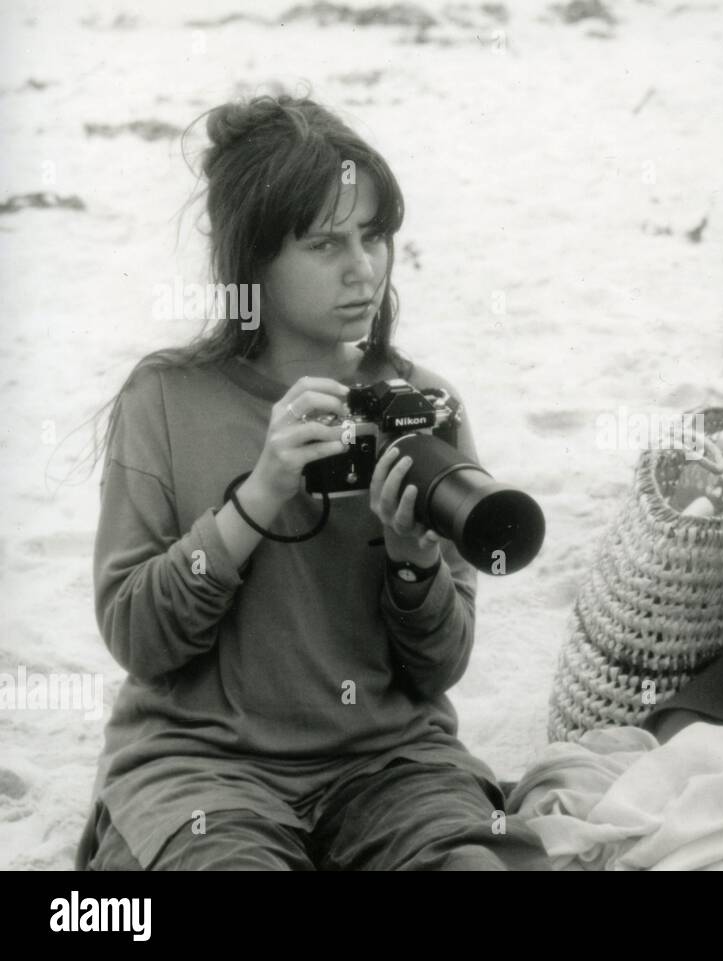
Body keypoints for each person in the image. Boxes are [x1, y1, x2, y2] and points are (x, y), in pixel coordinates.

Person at [76, 94, 550, 871]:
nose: (361, 268)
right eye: (325, 243)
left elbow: (440, 666)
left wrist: (411, 558)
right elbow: (139, 637)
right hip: (206, 768)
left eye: (373, 236)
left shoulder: (421, 406)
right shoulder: (165, 399)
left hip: (390, 764)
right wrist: (256, 499)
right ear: (253, 259)